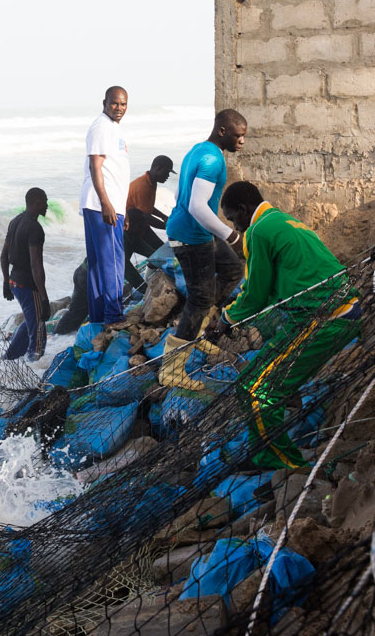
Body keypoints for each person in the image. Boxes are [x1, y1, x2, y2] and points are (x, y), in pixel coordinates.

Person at [210, 181, 360, 471]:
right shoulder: (280, 219)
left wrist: (224, 321)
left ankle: (281, 466)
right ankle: (274, 431)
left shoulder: (257, 231)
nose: (235, 227)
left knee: (256, 390)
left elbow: (255, 294)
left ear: (243, 210)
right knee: (262, 375)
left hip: (325, 319)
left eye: (232, 219)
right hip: (340, 308)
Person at [159, 109, 248, 390]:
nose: (242, 141)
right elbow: (197, 206)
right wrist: (231, 235)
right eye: (239, 135)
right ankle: (172, 369)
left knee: (234, 268)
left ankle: (199, 331)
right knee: (199, 298)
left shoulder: (198, 151)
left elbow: (178, 194)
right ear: (223, 131)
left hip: (196, 231)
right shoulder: (212, 159)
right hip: (190, 237)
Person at [79, 86, 130, 325]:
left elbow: (115, 171)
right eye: (114, 104)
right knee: (112, 261)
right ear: (104, 103)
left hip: (107, 205)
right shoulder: (101, 127)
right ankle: (113, 315)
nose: (119, 108)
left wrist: (123, 208)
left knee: (99, 263)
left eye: (123, 104)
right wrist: (106, 203)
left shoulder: (113, 128)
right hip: (101, 205)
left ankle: (99, 318)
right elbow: (95, 167)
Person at [1, 188, 51, 361]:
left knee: (31, 319)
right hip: (28, 285)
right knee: (38, 329)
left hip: (15, 282)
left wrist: (6, 282)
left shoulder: (15, 221)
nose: (47, 206)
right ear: (37, 202)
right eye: (45, 201)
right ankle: (34, 365)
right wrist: (44, 298)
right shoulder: (34, 228)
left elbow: (3, 255)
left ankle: (9, 357)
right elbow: (35, 264)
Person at [123, 156, 175, 293]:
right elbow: (145, 217)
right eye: (167, 172)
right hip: (131, 227)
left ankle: (151, 276)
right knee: (159, 253)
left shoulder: (151, 182)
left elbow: (148, 207)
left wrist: (164, 217)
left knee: (158, 252)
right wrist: (167, 226)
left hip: (138, 224)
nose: (168, 176)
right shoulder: (143, 186)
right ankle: (144, 283)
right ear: (158, 168)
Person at [54, 258, 89, 335]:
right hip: (89, 277)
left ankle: (55, 338)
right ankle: (56, 339)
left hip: (82, 271)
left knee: (76, 312)